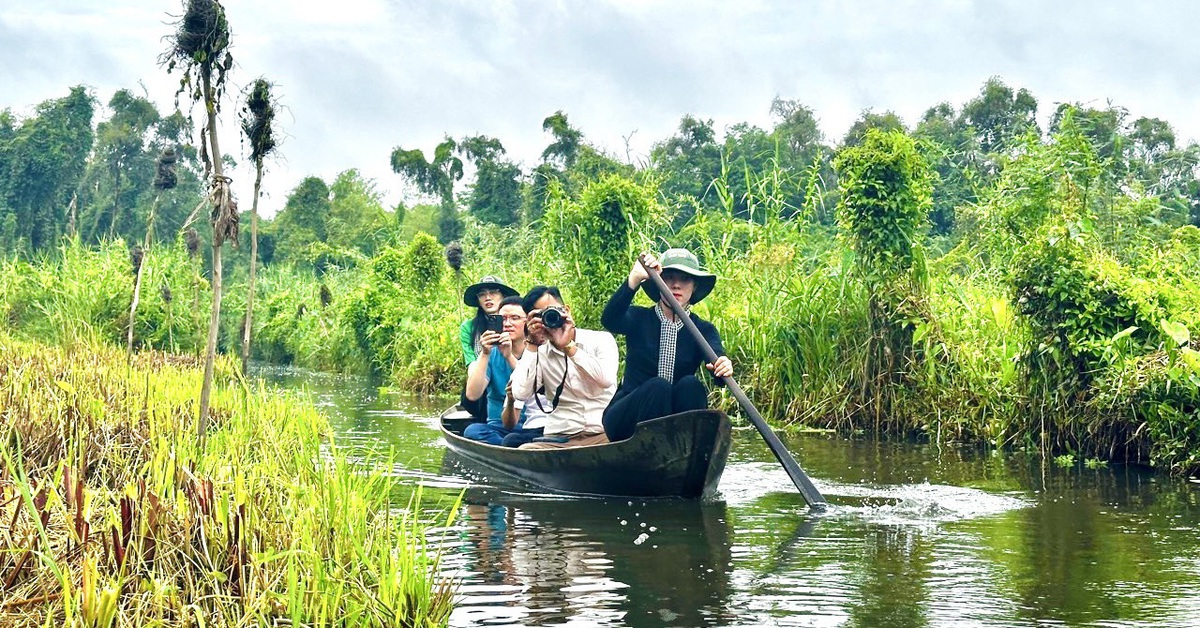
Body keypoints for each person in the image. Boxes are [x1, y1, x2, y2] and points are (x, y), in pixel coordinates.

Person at [600, 248, 733, 442]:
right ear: (658, 283)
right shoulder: (639, 318)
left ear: (694, 286)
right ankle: (649, 450)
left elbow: (718, 371)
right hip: (627, 418)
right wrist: (634, 280)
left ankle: (687, 449)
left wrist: (723, 365)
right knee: (658, 387)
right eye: (669, 278)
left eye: (685, 279)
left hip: (676, 424)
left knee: (691, 385)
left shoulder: (702, 329)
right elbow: (610, 320)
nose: (676, 285)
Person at [510, 286, 619, 450]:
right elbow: (520, 393)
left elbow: (606, 380)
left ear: (567, 310)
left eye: (552, 311)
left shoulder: (601, 340)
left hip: (604, 433)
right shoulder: (539, 352)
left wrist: (569, 347)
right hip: (560, 439)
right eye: (540, 315)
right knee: (526, 450)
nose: (549, 318)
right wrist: (531, 344)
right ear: (530, 321)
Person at [462, 296, 547, 446]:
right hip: (498, 427)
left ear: (527, 321)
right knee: (472, 431)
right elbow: (472, 395)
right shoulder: (492, 353)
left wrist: (509, 357)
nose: (508, 324)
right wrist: (485, 353)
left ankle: (514, 446)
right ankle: (511, 447)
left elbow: (536, 385)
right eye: (503, 319)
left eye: (515, 318)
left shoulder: (539, 351)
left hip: (534, 426)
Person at [459, 275, 519, 418]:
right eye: (482, 294)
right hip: (485, 377)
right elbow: (471, 363)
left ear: (503, 296)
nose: (487, 298)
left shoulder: (516, 323)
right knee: (471, 393)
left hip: (513, 373)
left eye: (493, 292)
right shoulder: (469, 327)